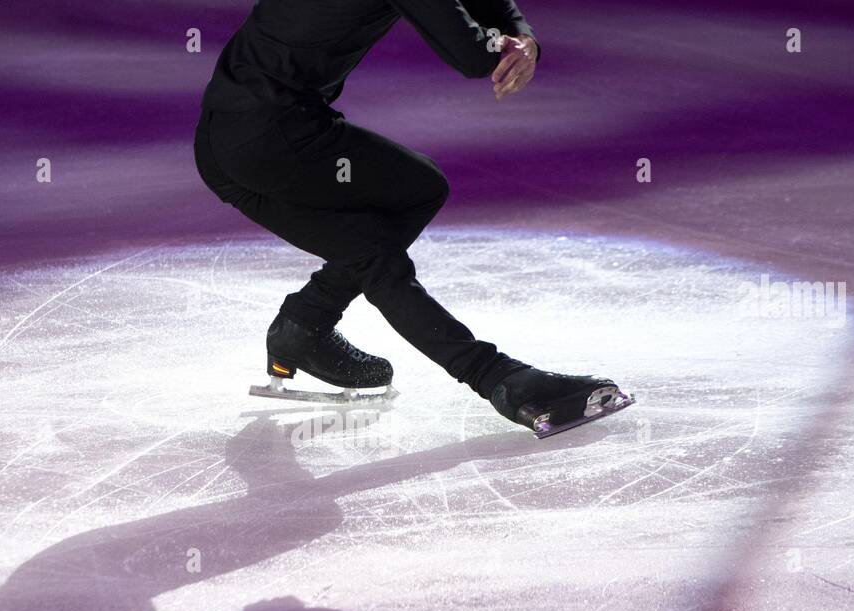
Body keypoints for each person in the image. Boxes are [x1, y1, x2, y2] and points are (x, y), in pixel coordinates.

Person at [193, 0, 633, 437]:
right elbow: (472, 54)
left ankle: (303, 328)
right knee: (376, 249)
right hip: (273, 137)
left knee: (413, 194)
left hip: (229, 139)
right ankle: (502, 381)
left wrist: (522, 35)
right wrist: (507, 43)